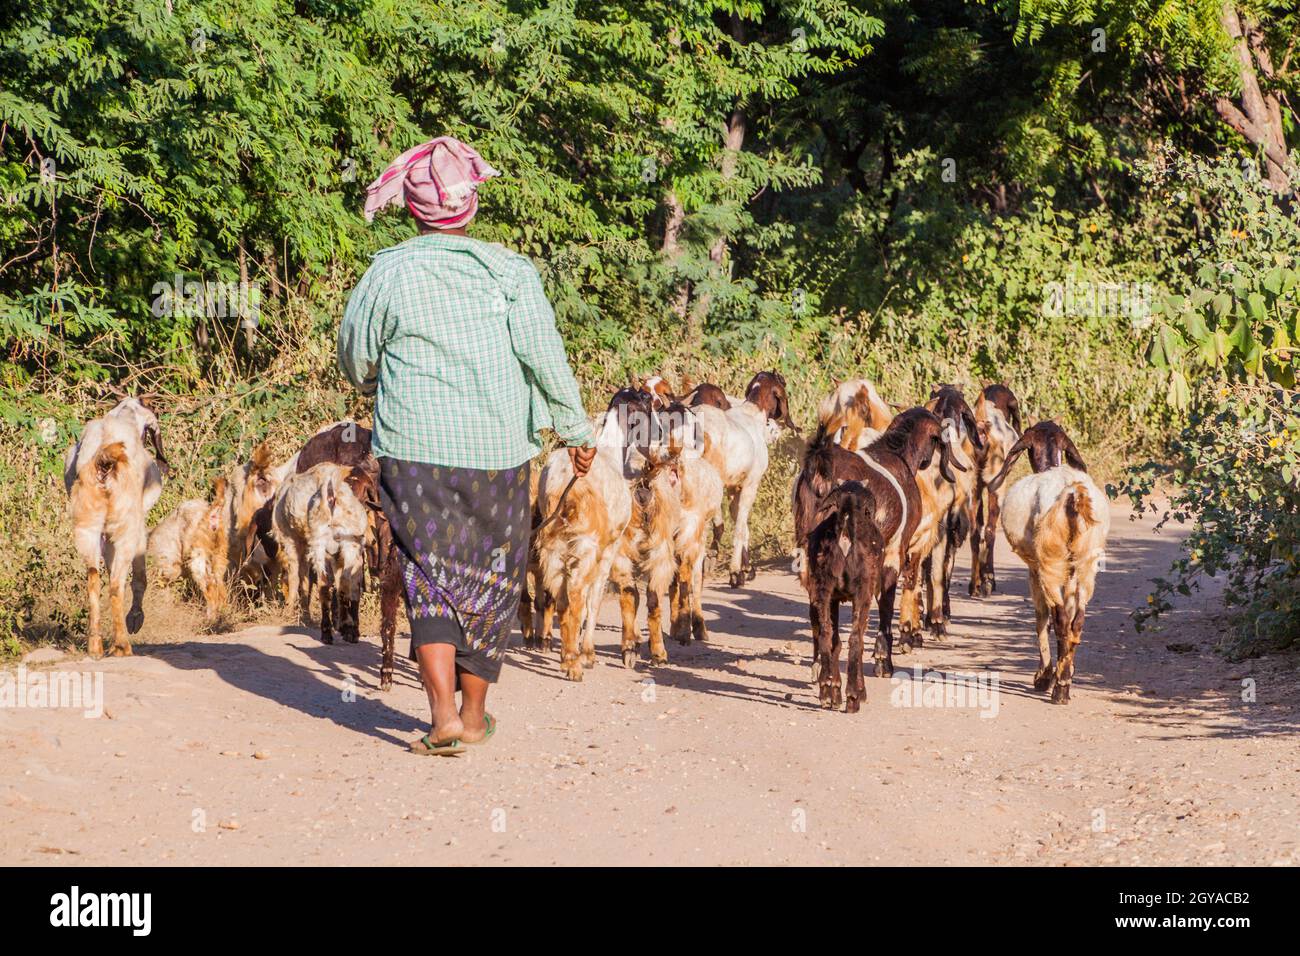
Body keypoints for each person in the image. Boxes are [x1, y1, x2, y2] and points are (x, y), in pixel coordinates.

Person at [338, 136, 596, 755]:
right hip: (499, 452)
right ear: (469, 207)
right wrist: (578, 431)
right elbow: (545, 357)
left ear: (414, 208)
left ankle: (442, 718)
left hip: (413, 450)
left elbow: (355, 356)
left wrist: (373, 383)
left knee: (429, 575)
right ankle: (474, 716)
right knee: (492, 576)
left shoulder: (388, 271)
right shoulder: (509, 272)